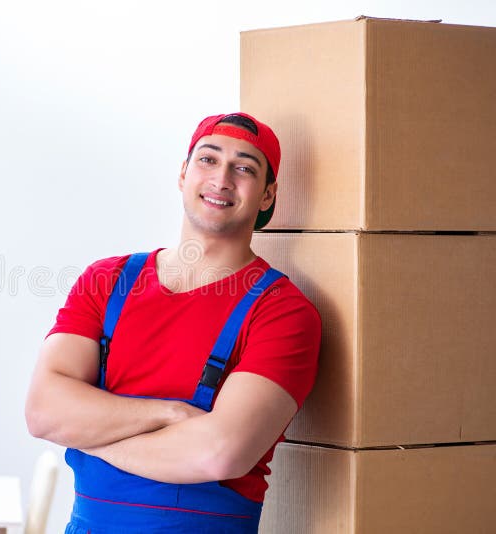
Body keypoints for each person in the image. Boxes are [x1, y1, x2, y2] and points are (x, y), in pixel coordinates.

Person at [25, 112, 321, 533]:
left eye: (244, 168)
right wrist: (171, 414)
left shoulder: (282, 312)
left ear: (268, 195)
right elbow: (43, 412)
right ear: (183, 174)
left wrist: (90, 436)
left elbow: (219, 453)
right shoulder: (106, 281)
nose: (221, 179)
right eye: (208, 160)